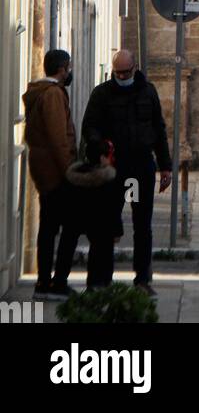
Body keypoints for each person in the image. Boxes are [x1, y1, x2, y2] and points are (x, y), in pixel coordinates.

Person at [81, 50, 171, 296]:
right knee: (105, 226)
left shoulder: (148, 92)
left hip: (140, 167)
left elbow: (158, 129)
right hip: (113, 169)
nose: (121, 76)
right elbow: (90, 127)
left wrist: (166, 166)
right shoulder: (102, 94)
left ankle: (142, 279)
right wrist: (99, 147)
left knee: (142, 225)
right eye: (117, 72)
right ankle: (100, 281)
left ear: (135, 68)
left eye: (125, 72)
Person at [23, 49, 78, 299]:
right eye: (68, 67)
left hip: (44, 169)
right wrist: (70, 171)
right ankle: (55, 282)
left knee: (48, 227)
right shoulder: (53, 94)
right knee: (69, 226)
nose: (69, 72)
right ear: (61, 68)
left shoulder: (41, 92)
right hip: (56, 172)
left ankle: (44, 282)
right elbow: (58, 138)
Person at [65, 137, 117, 290]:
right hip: (100, 222)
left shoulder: (75, 177)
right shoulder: (107, 179)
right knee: (102, 247)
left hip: (76, 218)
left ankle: (61, 278)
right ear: (103, 158)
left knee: (67, 243)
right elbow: (112, 208)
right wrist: (117, 229)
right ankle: (101, 281)